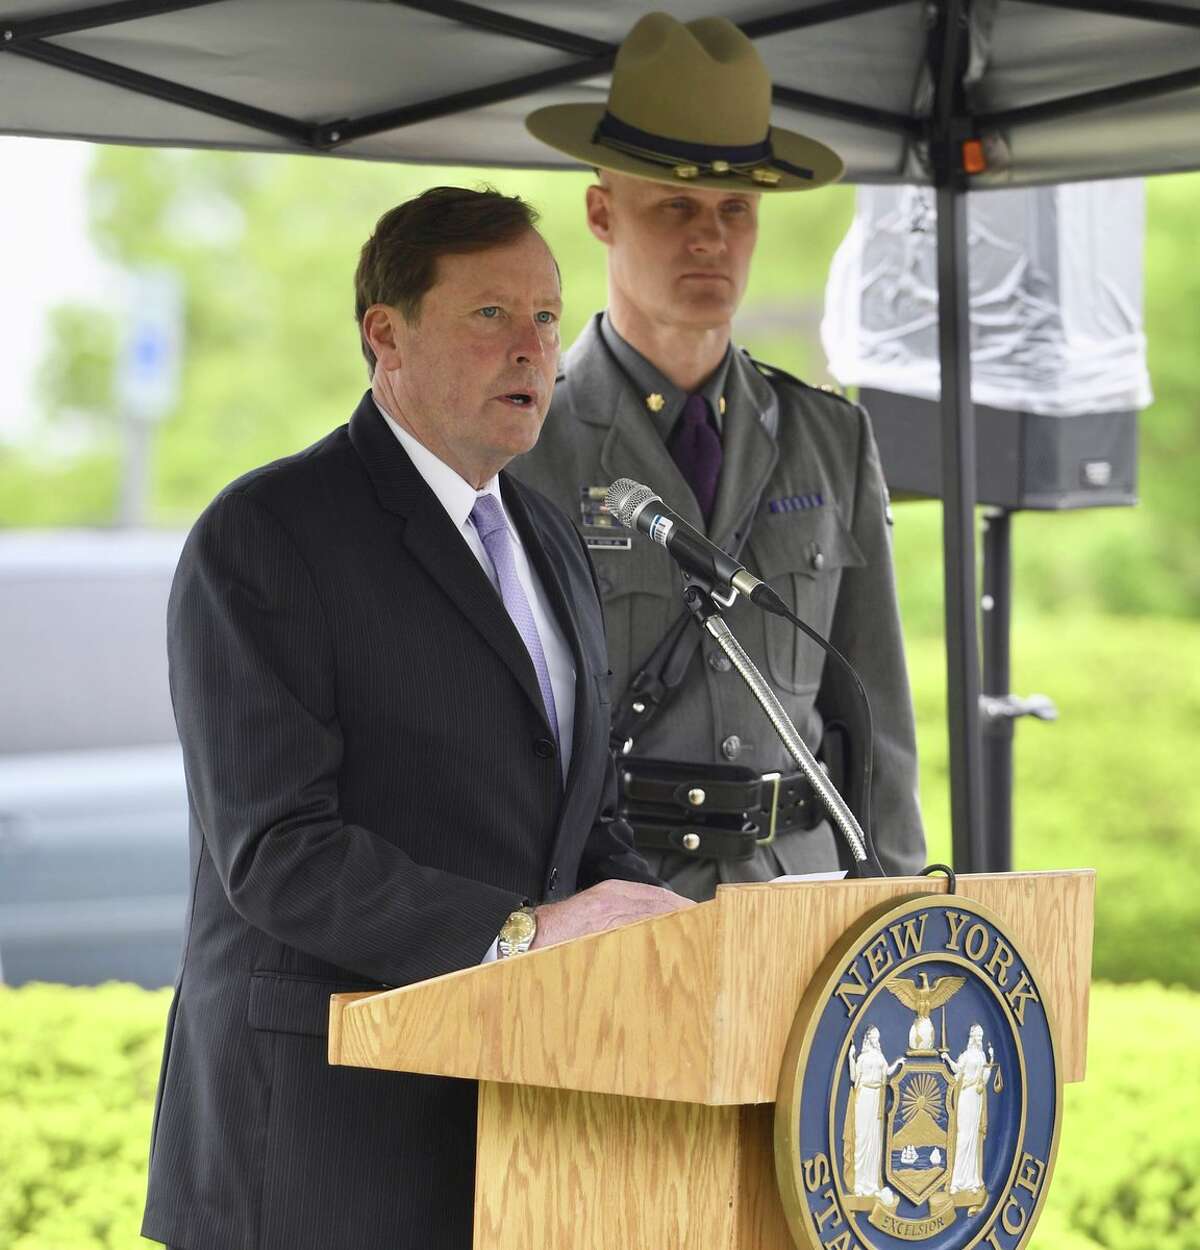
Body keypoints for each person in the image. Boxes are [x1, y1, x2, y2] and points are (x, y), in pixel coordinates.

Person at [140, 186, 691, 1250]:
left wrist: (671, 927)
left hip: (524, 1131)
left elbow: (574, 816)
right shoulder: (267, 534)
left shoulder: (550, 538)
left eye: (546, 316)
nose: (533, 348)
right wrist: (521, 932)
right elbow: (277, 851)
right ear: (384, 336)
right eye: (491, 315)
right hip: (317, 1148)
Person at [512, 12, 924, 897]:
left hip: (793, 896)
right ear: (600, 213)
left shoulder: (829, 439)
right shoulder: (526, 443)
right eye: (676, 207)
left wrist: (899, 921)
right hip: (612, 905)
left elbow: (873, 710)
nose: (711, 237)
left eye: (736, 208)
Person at [843, 1025, 904, 1197]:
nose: (876, 1040)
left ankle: (872, 1183)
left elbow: (886, 1074)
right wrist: (850, 1057)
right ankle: (859, 1183)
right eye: (874, 1037)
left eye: (878, 1037)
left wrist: (898, 1064)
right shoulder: (862, 1058)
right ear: (869, 1038)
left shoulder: (880, 1057)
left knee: (874, 1140)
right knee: (862, 1138)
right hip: (864, 1098)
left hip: (877, 1097)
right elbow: (854, 1078)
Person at [942, 1023, 995, 1195]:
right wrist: (948, 1059)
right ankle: (957, 1180)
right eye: (977, 1037)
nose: (979, 1040)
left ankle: (972, 1179)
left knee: (973, 1138)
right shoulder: (966, 1056)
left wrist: (991, 1061)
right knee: (963, 1136)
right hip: (965, 1096)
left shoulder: (981, 1056)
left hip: (976, 1097)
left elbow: (985, 1079)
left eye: (980, 1037)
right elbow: (957, 1070)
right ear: (971, 1037)